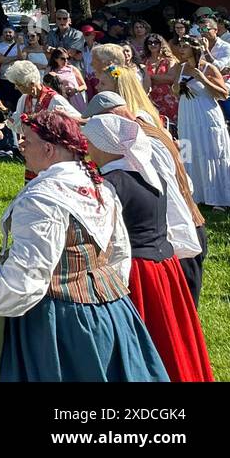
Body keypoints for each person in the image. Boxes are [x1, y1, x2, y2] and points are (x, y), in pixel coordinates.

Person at [0, 108, 168, 382]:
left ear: (48, 149)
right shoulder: (100, 186)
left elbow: (30, 269)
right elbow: (118, 254)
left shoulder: (43, 198)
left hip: (59, 319)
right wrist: (105, 293)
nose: (21, 148)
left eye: (26, 141)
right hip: (111, 309)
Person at [81, 114, 213, 382]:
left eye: (90, 141)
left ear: (105, 146)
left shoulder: (110, 184)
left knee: (150, 336)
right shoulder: (148, 174)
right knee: (172, 332)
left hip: (138, 271)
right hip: (166, 267)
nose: (87, 147)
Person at [84, 91, 208, 306]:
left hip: (176, 240)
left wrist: (174, 244)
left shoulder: (143, 148)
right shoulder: (139, 143)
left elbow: (174, 196)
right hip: (165, 247)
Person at [169, 37, 230, 207]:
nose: (181, 50)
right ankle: (195, 194)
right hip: (187, 114)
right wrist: (178, 87)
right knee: (189, 151)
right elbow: (175, 92)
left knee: (211, 151)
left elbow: (224, 94)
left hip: (206, 114)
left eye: (185, 47)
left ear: (195, 49)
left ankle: (219, 198)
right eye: (180, 46)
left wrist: (203, 79)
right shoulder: (181, 67)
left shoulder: (209, 67)